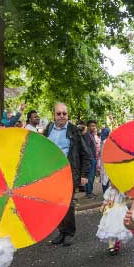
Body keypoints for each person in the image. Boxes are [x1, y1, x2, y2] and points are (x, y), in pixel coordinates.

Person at [44, 102, 91, 246]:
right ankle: (61, 232)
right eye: (58, 113)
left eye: (64, 113)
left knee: (68, 204)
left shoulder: (73, 130)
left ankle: (69, 233)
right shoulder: (49, 129)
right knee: (56, 205)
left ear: (67, 115)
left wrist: (84, 175)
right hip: (51, 174)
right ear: (54, 115)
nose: (62, 116)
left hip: (69, 173)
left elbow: (86, 154)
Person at [96, 184, 131, 255]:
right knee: (110, 227)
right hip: (111, 211)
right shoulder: (109, 190)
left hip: (120, 210)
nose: (111, 183)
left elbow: (126, 196)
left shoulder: (122, 189)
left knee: (119, 227)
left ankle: (117, 244)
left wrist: (119, 189)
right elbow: (106, 199)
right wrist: (103, 205)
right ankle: (111, 246)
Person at [83, 119, 101, 198]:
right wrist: (90, 158)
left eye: (94, 126)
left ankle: (89, 191)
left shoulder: (91, 135)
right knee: (90, 176)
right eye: (92, 126)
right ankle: (88, 193)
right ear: (88, 126)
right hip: (90, 159)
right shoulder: (87, 135)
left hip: (93, 158)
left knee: (92, 176)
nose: (94, 127)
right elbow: (87, 148)